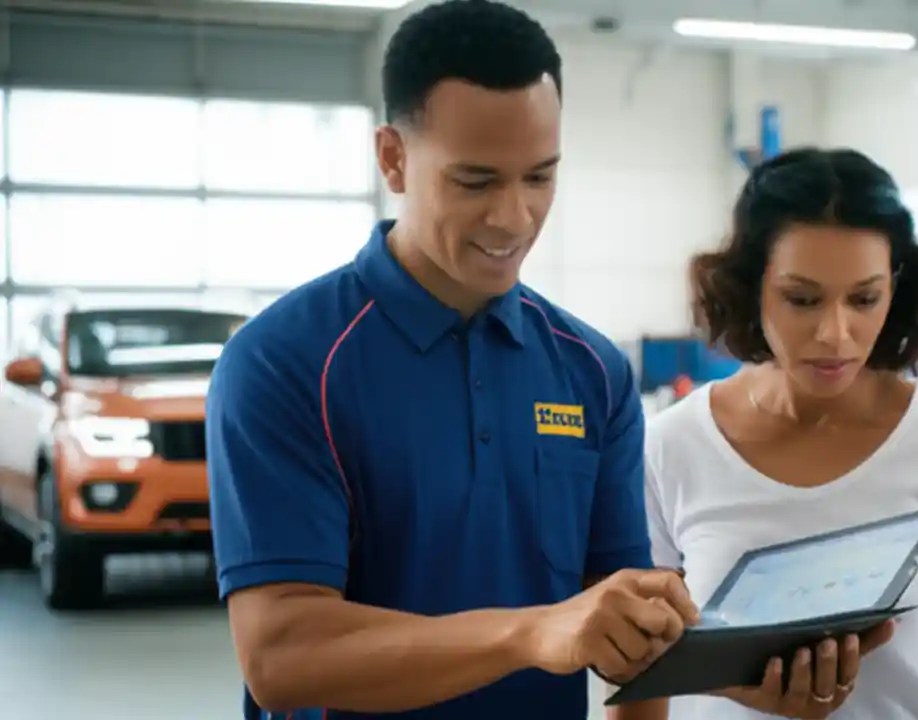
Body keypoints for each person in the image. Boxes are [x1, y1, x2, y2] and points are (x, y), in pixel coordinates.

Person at [205, 2, 703, 718]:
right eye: (475, 182)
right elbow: (281, 655)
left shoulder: (593, 371)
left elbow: (632, 633)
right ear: (392, 158)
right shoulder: (285, 364)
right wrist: (530, 632)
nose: (514, 217)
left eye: (540, 178)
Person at [641, 148, 918, 720]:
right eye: (802, 299)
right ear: (749, 285)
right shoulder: (671, 447)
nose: (836, 334)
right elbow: (640, 679)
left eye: (864, 298)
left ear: (897, 288)